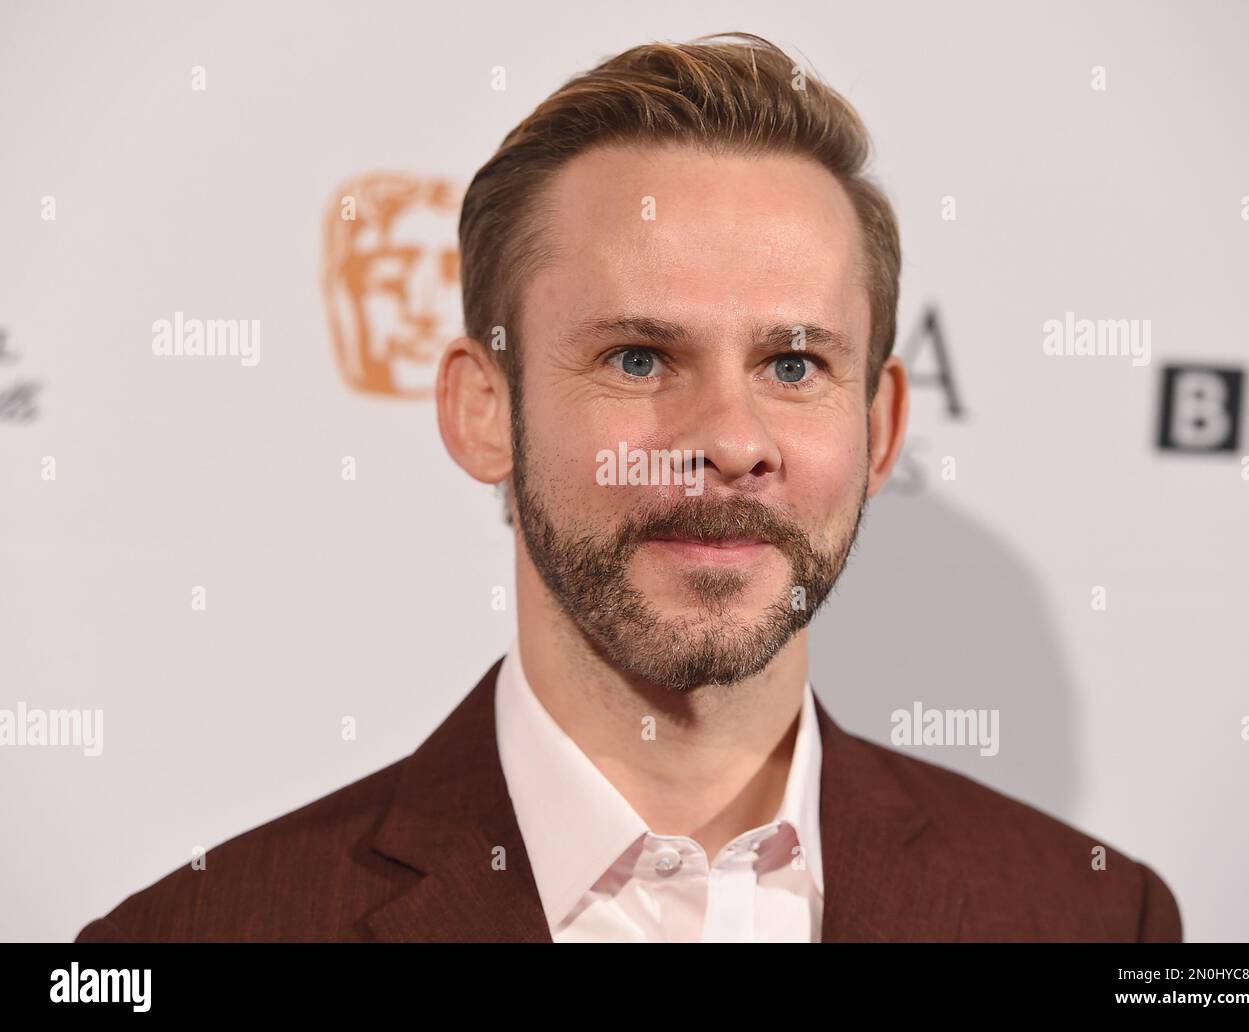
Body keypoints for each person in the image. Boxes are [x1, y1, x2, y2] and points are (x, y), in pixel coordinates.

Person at [75, 31, 1181, 943]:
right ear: (482, 411)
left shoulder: (1089, 918)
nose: (729, 440)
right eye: (639, 359)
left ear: (880, 426)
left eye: (793, 365)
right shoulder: (196, 938)